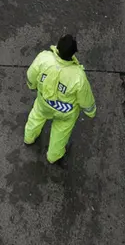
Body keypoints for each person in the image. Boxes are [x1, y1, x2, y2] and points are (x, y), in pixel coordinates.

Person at [24, 34, 96, 164]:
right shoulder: (78, 76)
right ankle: (53, 156)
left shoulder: (43, 58)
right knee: (60, 134)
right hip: (65, 113)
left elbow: (31, 74)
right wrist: (90, 112)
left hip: (44, 103)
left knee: (36, 117)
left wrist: (32, 86)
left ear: (57, 46)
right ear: (74, 53)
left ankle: (29, 137)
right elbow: (85, 99)